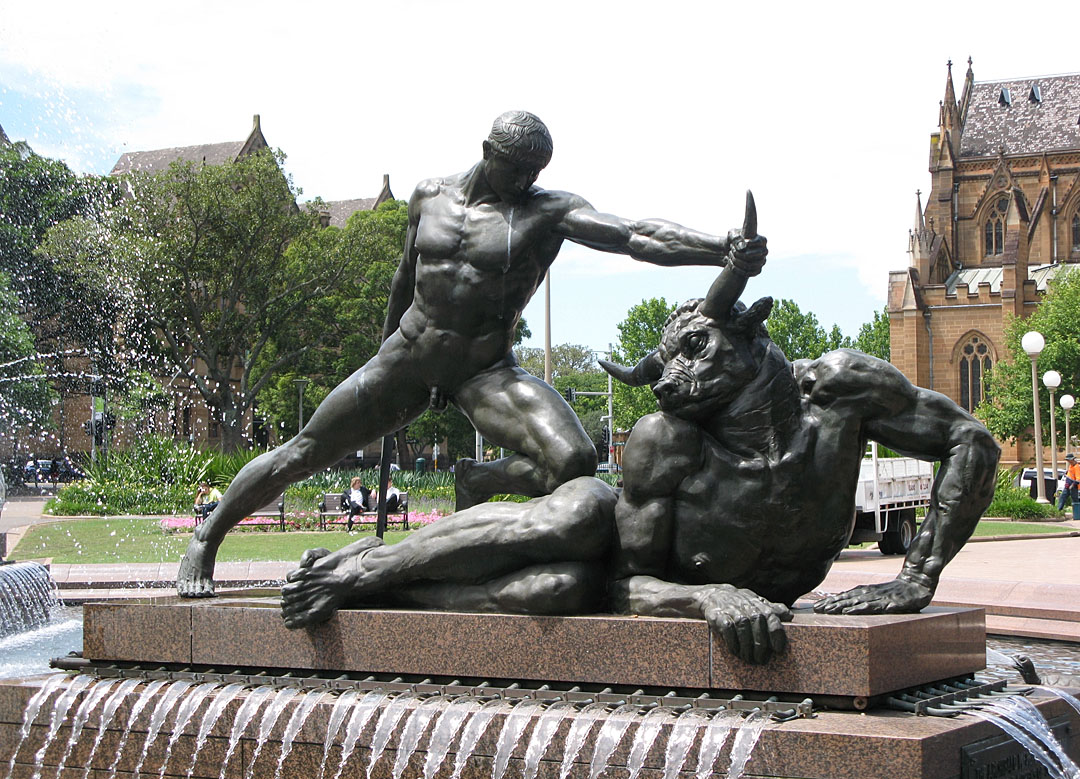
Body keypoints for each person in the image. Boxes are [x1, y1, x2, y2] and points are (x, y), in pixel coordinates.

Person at [280, 241, 1000, 665]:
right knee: (576, 517)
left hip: (587, 590)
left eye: (694, 350)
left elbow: (973, 440)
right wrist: (703, 597)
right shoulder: (670, 442)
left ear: (749, 331)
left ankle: (370, 581)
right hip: (614, 559)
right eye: (667, 368)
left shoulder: (843, 391)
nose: (673, 384)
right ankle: (365, 568)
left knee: (560, 591)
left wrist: (918, 577)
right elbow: (622, 583)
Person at [177, 110, 766, 597]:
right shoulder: (428, 196)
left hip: (487, 371)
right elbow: (404, 278)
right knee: (303, 450)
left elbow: (634, 234)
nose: (524, 180)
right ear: (488, 150)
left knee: (573, 460)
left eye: (535, 171)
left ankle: (479, 481)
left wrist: (721, 249)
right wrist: (383, 355)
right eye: (517, 168)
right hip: (408, 357)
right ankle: (206, 539)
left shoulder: (546, 211)